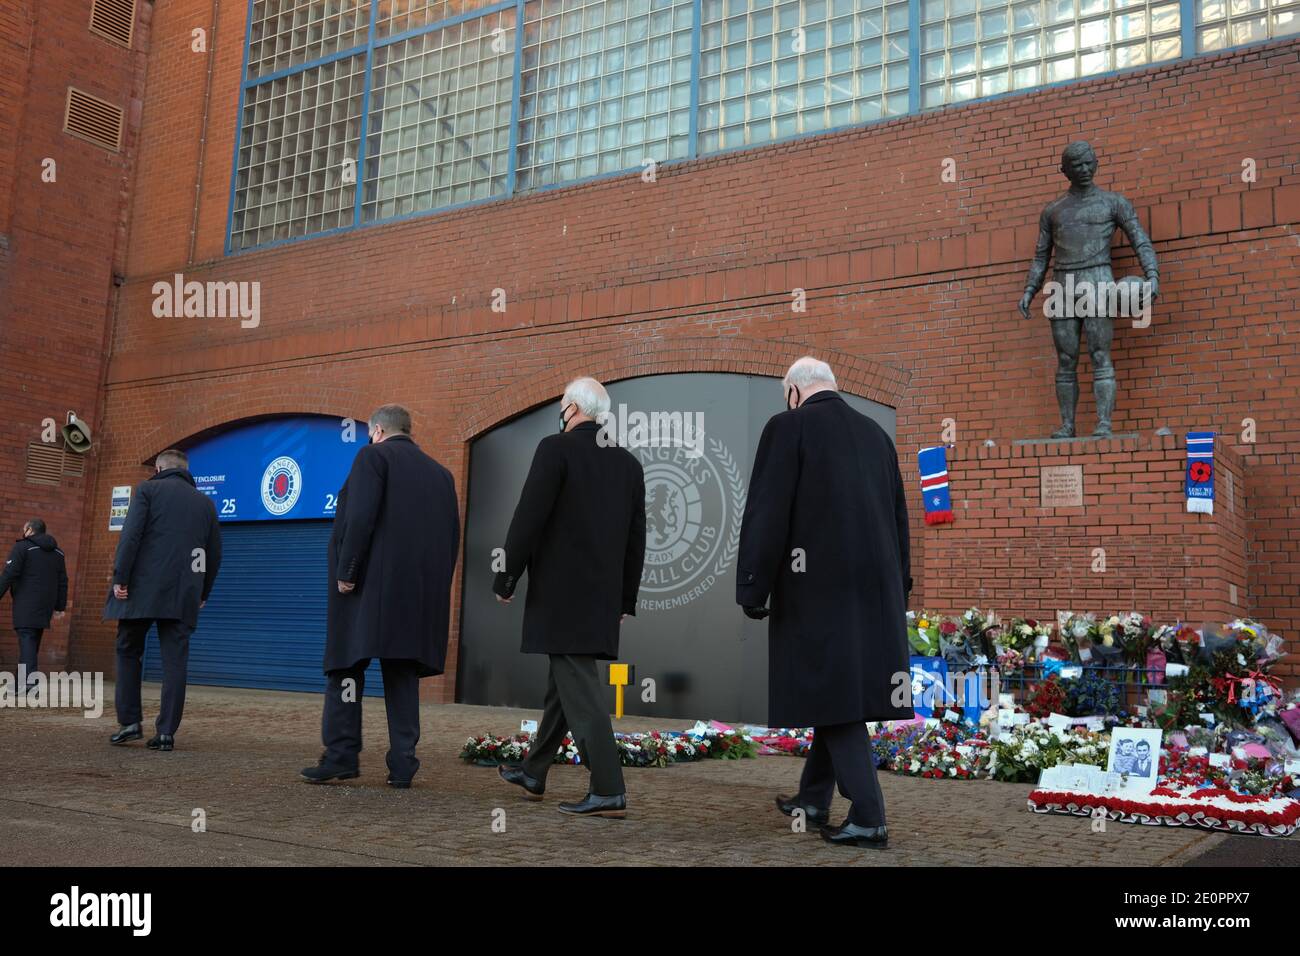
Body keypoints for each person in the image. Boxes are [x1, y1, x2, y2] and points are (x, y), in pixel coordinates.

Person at [736, 357, 912, 849]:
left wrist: (753, 585)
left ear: (794, 392)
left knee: (833, 697)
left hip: (817, 589)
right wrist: (900, 586)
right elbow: (899, 518)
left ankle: (869, 816)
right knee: (834, 688)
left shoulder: (788, 427)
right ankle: (813, 798)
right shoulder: (877, 434)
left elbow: (767, 512)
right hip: (875, 593)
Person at [494, 377, 646, 818]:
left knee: (582, 692)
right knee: (565, 686)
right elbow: (637, 539)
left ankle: (609, 788)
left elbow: (529, 517)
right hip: (601, 599)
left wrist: (506, 577)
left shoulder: (555, 449)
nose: (559, 412)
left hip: (561, 596)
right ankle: (534, 770)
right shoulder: (628, 464)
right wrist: (625, 600)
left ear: (574, 408)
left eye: (562, 405)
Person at [301, 404, 460, 788]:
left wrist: (347, 572)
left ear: (375, 430)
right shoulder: (441, 475)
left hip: (367, 587)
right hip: (416, 593)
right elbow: (451, 537)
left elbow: (360, 517)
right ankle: (403, 763)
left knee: (346, 667)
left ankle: (341, 754)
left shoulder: (373, 457)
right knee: (402, 672)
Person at [1018, 140, 1160, 438]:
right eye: (1076, 166)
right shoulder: (1053, 211)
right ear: (1064, 171)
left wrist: (1152, 276)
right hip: (1062, 285)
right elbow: (1042, 255)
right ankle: (1068, 425)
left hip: (1099, 280)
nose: (1083, 170)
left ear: (1096, 164)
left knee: (1099, 354)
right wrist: (1031, 288)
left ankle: (1104, 423)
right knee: (1066, 359)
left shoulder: (1114, 203)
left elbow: (1140, 239)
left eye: (1088, 163)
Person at [105, 448, 222, 751]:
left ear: (158, 469)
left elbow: (131, 536)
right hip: (184, 593)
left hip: (141, 590)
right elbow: (213, 554)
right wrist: (203, 592)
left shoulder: (148, 490)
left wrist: (121, 578)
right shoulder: (205, 503)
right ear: (186, 470)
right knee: (175, 661)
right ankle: (166, 732)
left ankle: (130, 722)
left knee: (128, 649)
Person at [0, 518, 69, 692]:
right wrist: (60, 606)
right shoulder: (58, 553)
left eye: (25, 529)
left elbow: (9, 574)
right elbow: (63, 581)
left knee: (27, 640)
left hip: (26, 602)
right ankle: (19, 684)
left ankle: (29, 684)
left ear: (30, 530)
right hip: (45, 605)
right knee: (31, 643)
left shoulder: (23, 547)